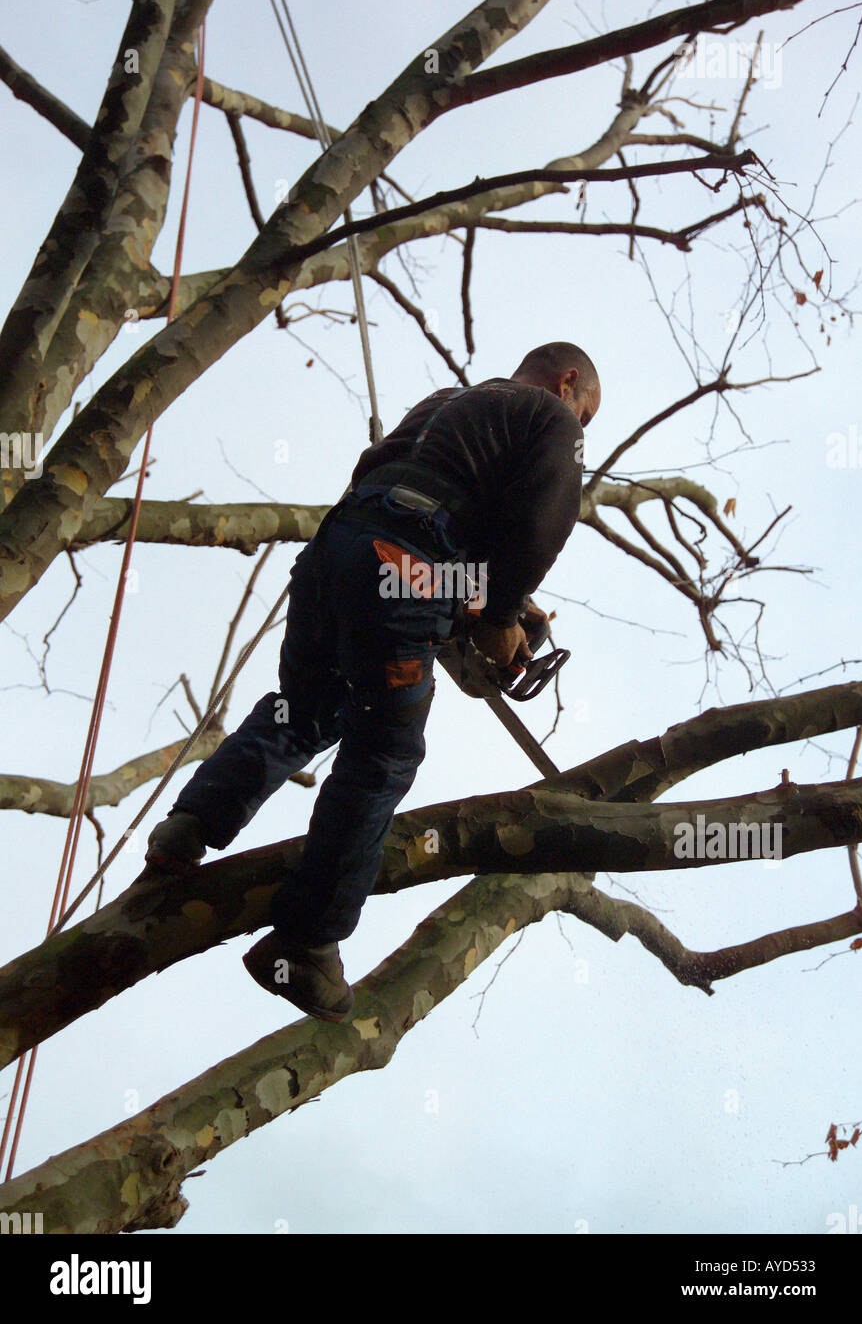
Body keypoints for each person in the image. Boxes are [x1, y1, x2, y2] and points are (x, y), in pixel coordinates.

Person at [143, 340, 601, 1021]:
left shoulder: (446, 405)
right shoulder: (549, 416)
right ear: (568, 383)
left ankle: (189, 825)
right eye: (584, 411)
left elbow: (404, 495)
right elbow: (542, 522)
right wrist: (501, 615)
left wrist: (468, 588)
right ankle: (306, 940)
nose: (579, 424)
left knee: (306, 710)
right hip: (401, 563)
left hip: (336, 553)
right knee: (384, 752)